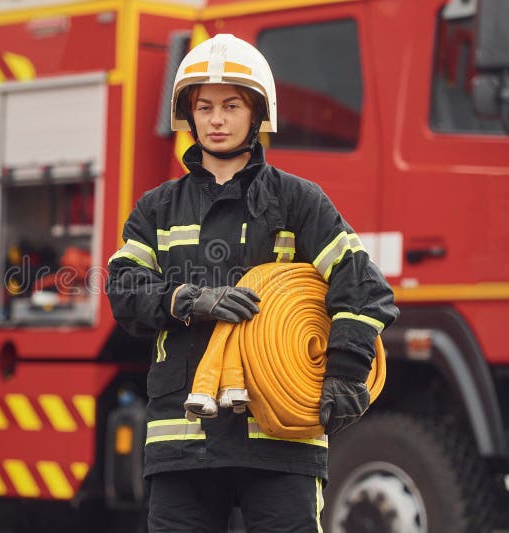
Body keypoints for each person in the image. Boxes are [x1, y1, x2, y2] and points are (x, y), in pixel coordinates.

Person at [105, 34, 399, 531]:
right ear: (189, 115)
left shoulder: (297, 200)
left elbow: (363, 285)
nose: (216, 119)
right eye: (204, 107)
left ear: (259, 113)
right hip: (183, 441)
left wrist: (347, 370)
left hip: (279, 440)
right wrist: (189, 299)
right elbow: (122, 288)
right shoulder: (156, 208)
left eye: (231, 105)